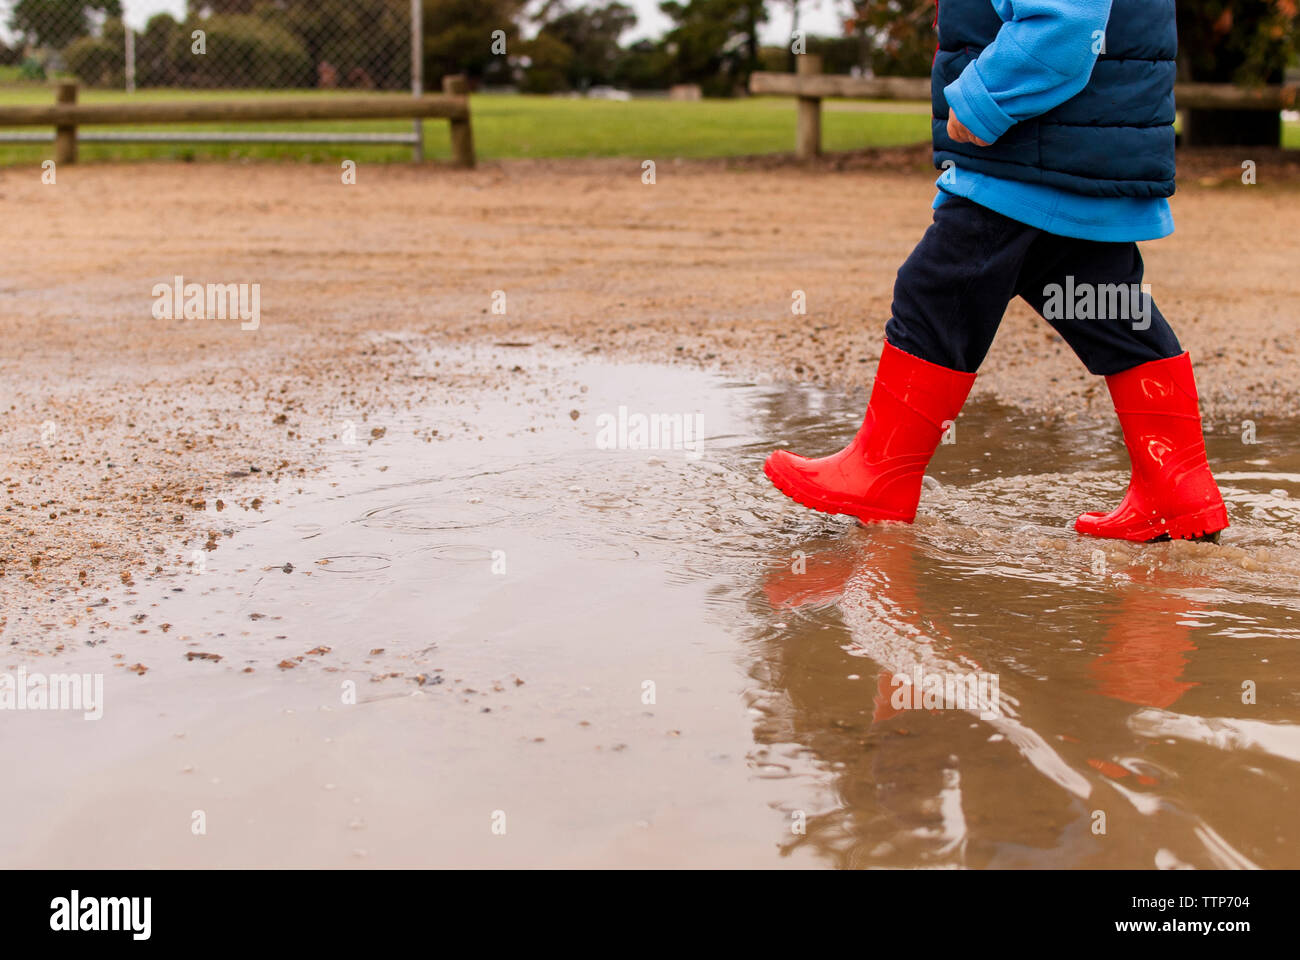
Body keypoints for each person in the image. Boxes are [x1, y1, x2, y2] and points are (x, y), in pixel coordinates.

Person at [764, 0, 1229, 543]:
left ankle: (879, 473)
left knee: (937, 290)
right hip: (1076, 152)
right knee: (1104, 308)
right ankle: (1177, 490)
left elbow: (1067, 22)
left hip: (1031, 153)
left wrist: (984, 98)